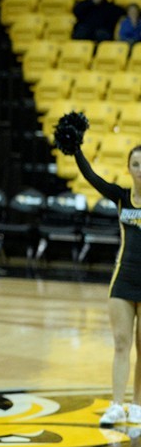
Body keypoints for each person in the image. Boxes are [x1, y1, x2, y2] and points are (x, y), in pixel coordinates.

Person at [76, 141, 141, 426]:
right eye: (136, 164)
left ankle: (138, 405)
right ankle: (116, 405)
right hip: (123, 279)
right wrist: (75, 150)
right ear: (128, 168)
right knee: (120, 343)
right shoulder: (121, 197)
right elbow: (91, 177)